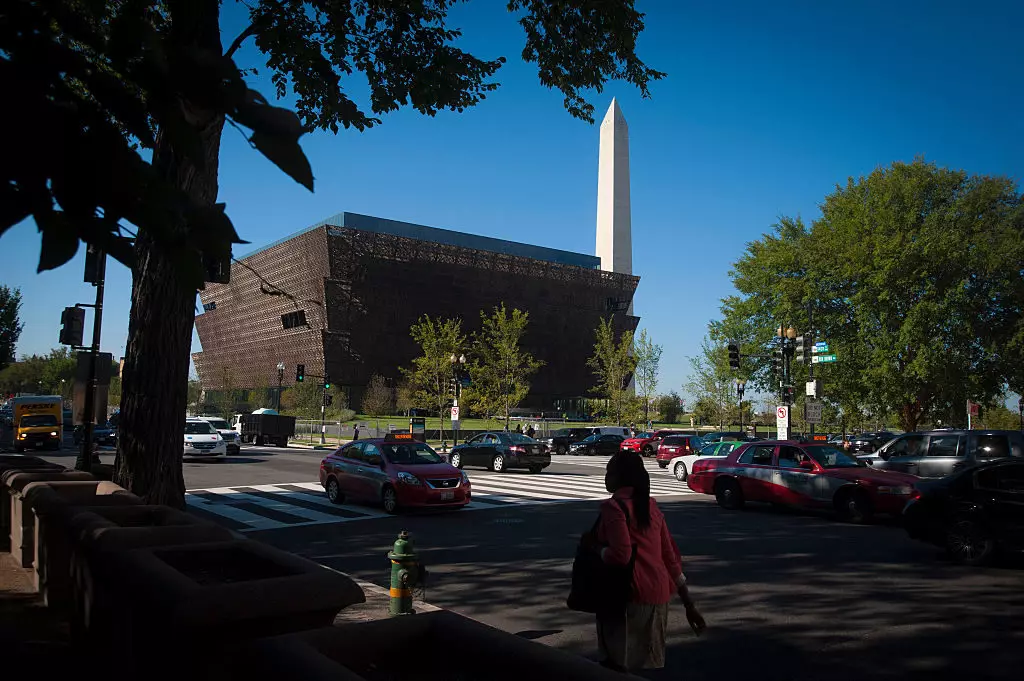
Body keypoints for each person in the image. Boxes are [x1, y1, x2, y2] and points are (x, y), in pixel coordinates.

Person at [589, 452, 705, 672]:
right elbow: (670, 559)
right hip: (658, 598)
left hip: (625, 598)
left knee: (616, 663)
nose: (606, 476)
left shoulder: (613, 508)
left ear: (621, 477)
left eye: (609, 471)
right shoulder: (651, 507)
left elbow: (620, 555)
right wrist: (689, 605)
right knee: (644, 664)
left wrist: (596, 548)